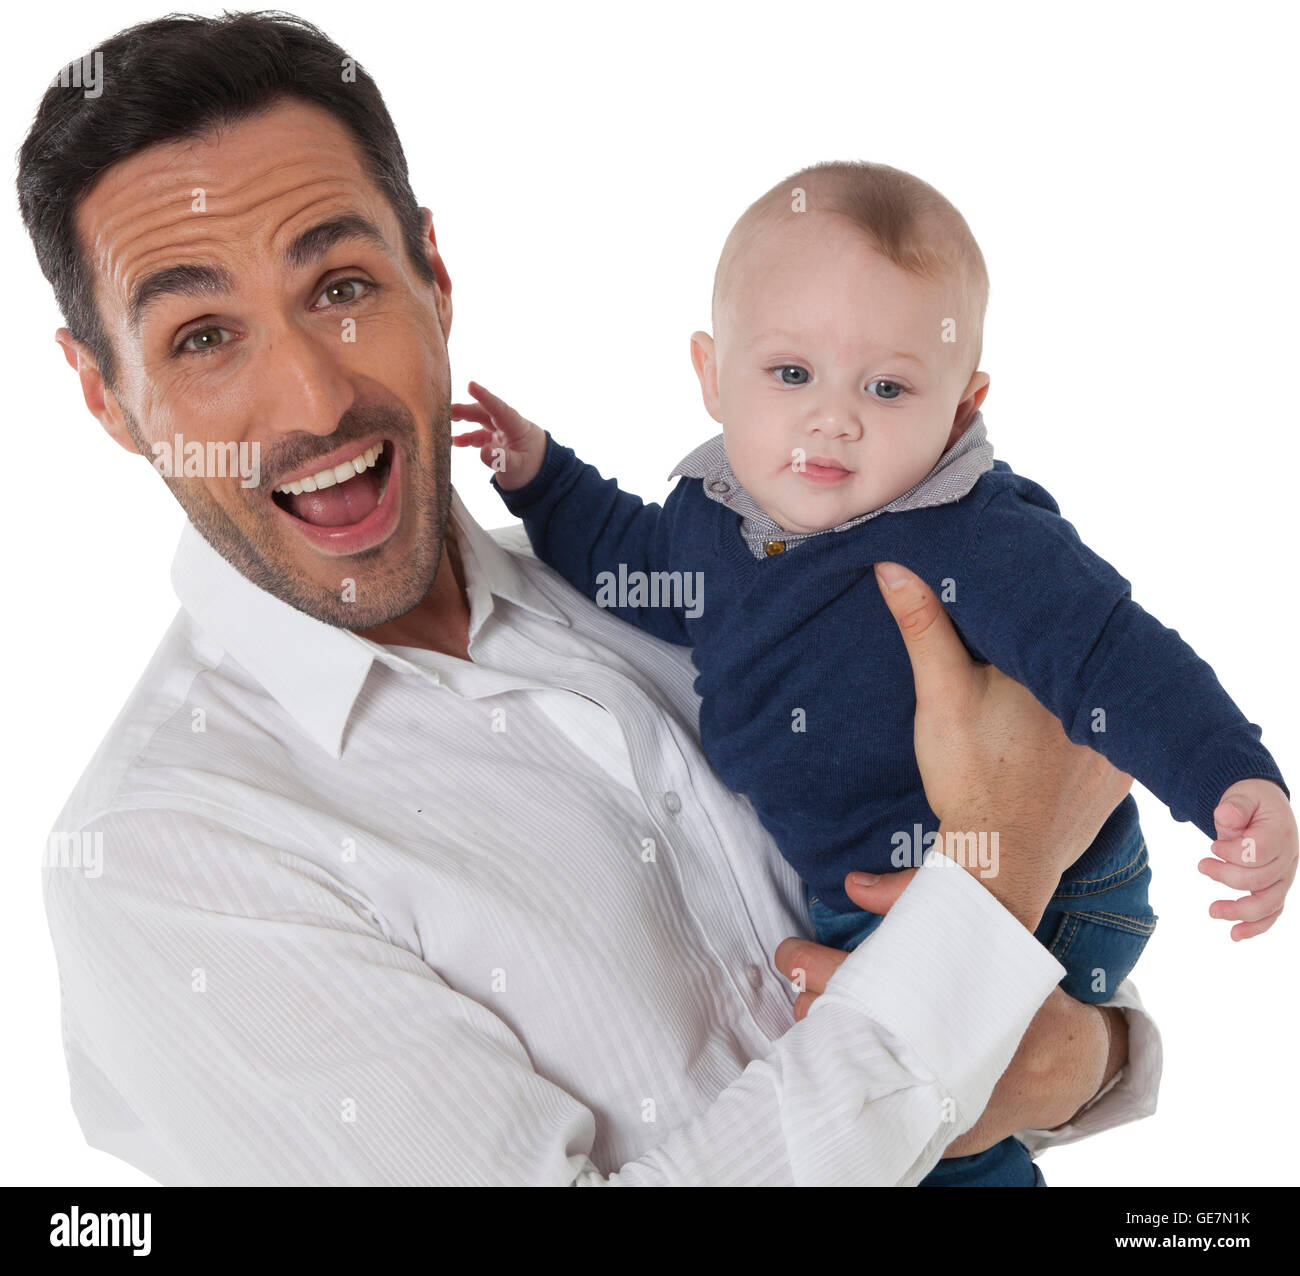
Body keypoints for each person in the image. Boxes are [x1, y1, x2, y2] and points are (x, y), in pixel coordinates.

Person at [22, 11, 1157, 1185]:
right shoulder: (166, 857)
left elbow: (1008, 998)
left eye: (344, 284)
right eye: (203, 335)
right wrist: (993, 880)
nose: (312, 396)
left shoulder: (676, 585)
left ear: (435, 280)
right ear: (107, 396)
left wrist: (1082, 1061)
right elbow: (975, 915)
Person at [449, 161, 1295, 1185]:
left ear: (962, 400)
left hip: (1058, 882)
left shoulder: (969, 529)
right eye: (789, 374)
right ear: (711, 374)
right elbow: (629, 563)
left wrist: (1228, 780)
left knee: (921, 1131)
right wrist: (539, 476)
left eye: (886, 387)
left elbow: (1110, 649)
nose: (831, 418)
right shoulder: (715, 518)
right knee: (888, 1109)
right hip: (896, 886)